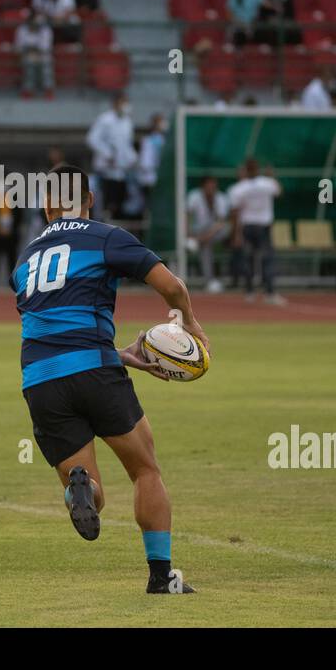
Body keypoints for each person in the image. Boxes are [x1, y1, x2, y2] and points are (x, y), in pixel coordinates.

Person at [14, 163, 208, 595]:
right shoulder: (106, 236)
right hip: (96, 370)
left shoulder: (25, 260)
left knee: (90, 488)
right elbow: (172, 286)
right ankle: (161, 578)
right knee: (145, 470)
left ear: (47, 205)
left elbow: (51, 329)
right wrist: (189, 323)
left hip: (40, 378)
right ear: (89, 200)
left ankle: (80, 491)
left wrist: (122, 354)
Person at [229, 158, 283, 304]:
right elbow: (279, 191)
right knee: (267, 258)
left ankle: (250, 292)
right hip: (264, 226)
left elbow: (234, 212)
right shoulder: (267, 183)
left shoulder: (239, 188)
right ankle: (269, 292)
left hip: (248, 226)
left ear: (245, 170)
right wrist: (271, 176)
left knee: (248, 259)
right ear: (257, 169)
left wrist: (236, 234)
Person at [86, 93, 137, 218]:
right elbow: (92, 139)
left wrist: (133, 158)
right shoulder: (105, 120)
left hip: (121, 171)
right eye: (123, 103)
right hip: (105, 168)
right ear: (115, 104)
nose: (125, 106)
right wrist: (107, 154)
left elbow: (127, 145)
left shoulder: (127, 122)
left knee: (119, 204)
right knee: (103, 203)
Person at [185, 175, 230, 292]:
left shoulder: (221, 198)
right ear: (203, 186)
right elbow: (187, 216)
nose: (211, 188)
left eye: (213, 185)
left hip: (216, 232)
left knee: (224, 228)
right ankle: (209, 281)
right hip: (198, 231)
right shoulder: (194, 196)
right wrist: (189, 234)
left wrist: (204, 237)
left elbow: (220, 222)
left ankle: (210, 280)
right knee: (206, 246)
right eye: (209, 185)